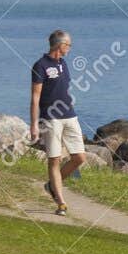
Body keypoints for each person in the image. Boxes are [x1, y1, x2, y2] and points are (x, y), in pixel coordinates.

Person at [30, 29, 85, 217]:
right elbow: (35, 97)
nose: (70, 48)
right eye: (68, 44)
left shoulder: (64, 63)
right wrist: (34, 124)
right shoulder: (40, 66)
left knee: (79, 158)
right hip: (50, 118)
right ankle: (61, 202)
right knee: (54, 159)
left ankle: (52, 185)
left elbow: (64, 88)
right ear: (60, 45)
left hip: (70, 115)